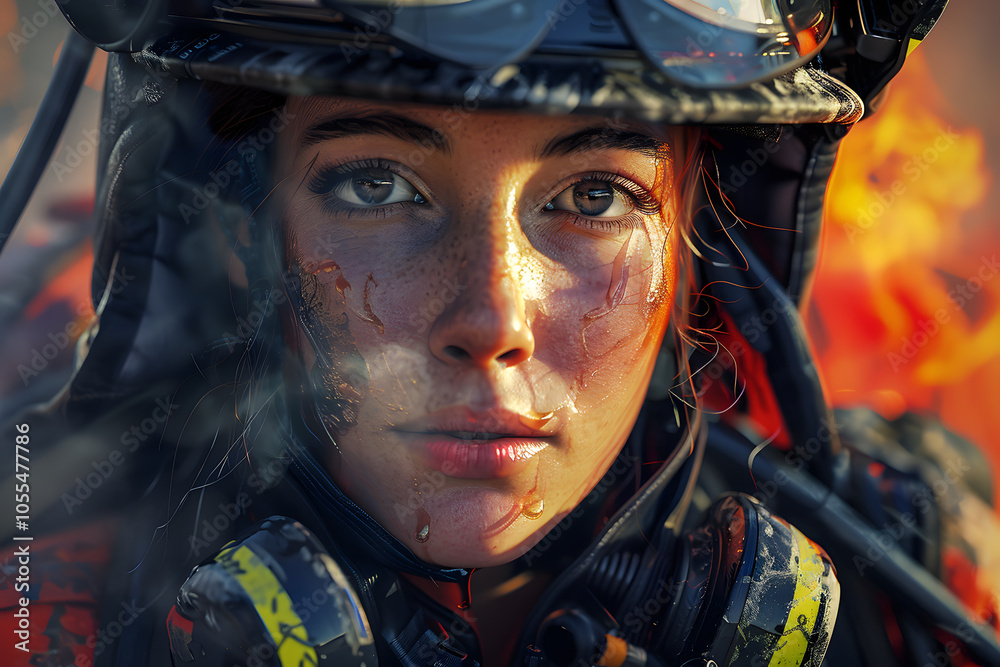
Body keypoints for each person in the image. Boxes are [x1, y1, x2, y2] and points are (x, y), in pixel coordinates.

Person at [1, 1, 998, 666]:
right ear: (238, 236)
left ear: (695, 254)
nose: (490, 319)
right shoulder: (34, 591)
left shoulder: (917, 580)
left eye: (594, 195)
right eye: (375, 184)